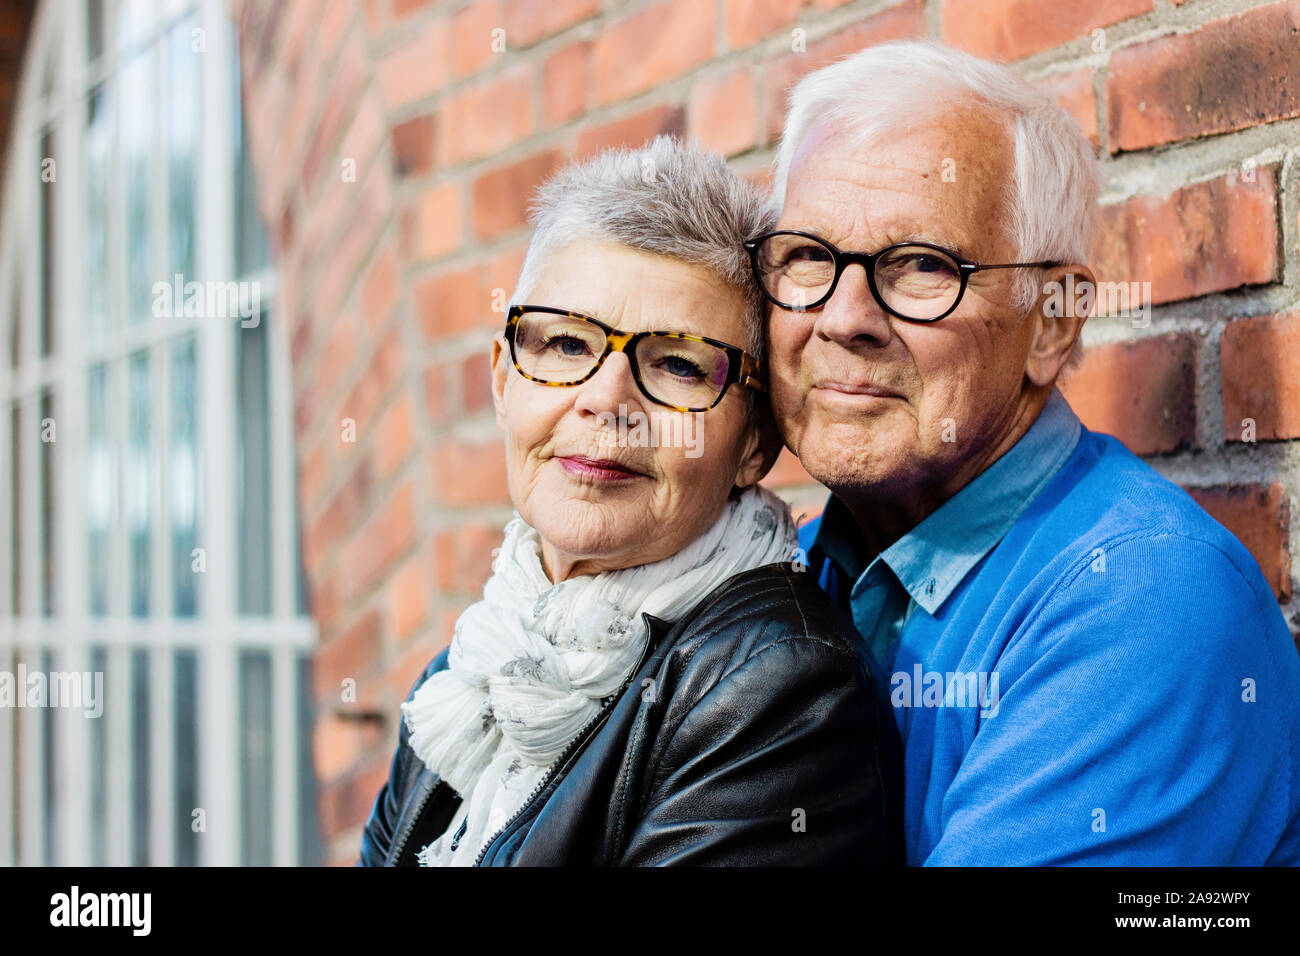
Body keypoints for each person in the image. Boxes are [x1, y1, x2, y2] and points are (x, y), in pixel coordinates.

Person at [755, 39, 1300, 865]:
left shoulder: (1143, 600)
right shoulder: (788, 569)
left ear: (1052, 320)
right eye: (806, 258)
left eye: (920, 267)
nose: (842, 318)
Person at [358, 136, 903, 867]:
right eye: (564, 346)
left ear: (755, 444)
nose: (607, 401)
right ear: (501, 381)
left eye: (678, 364)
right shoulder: (468, 674)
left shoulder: (782, 690)